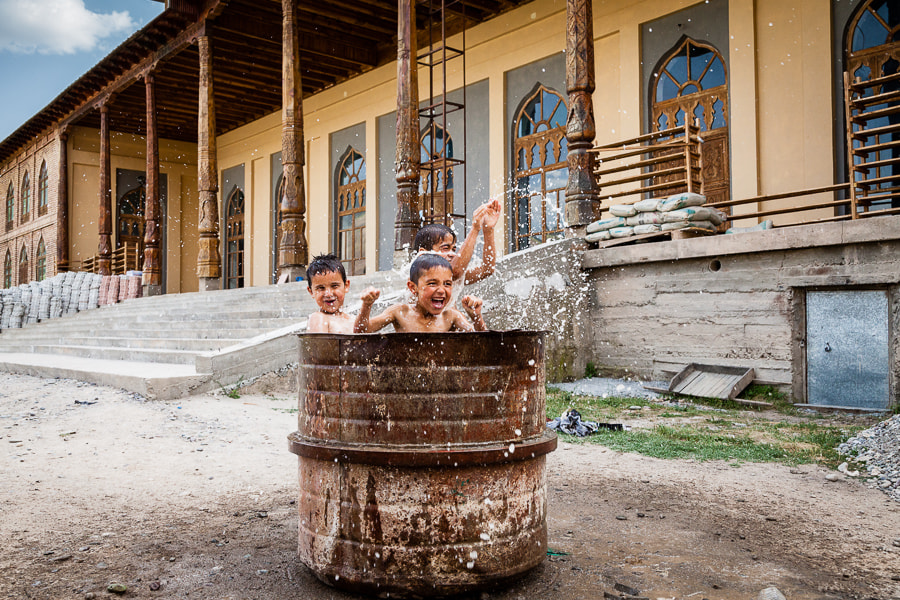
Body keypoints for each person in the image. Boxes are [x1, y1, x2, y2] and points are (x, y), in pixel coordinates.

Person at [354, 253, 486, 333]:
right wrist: (366, 305)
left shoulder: (450, 317)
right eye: (432, 283)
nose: (441, 290)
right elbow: (361, 331)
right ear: (413, 287)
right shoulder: (400, 313)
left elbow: (484, 340)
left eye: (447, 284)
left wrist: (476, 317)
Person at [412, 199, 501, 305]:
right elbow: (455, 272)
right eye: (445, 248)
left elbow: (487, 269)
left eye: (453, 249)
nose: (452, 254)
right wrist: (475, 228)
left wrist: (488, 230)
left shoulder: (451, 276)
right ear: (424, 253)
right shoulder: (419, 273)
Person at [305, 254, 354, 333]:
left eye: (334, 286)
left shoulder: (350, 318)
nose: (328, 294)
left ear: (346, 286)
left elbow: (366, 327)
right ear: (311, 291)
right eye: (321, 288)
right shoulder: (318, 318)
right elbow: (319, 345)